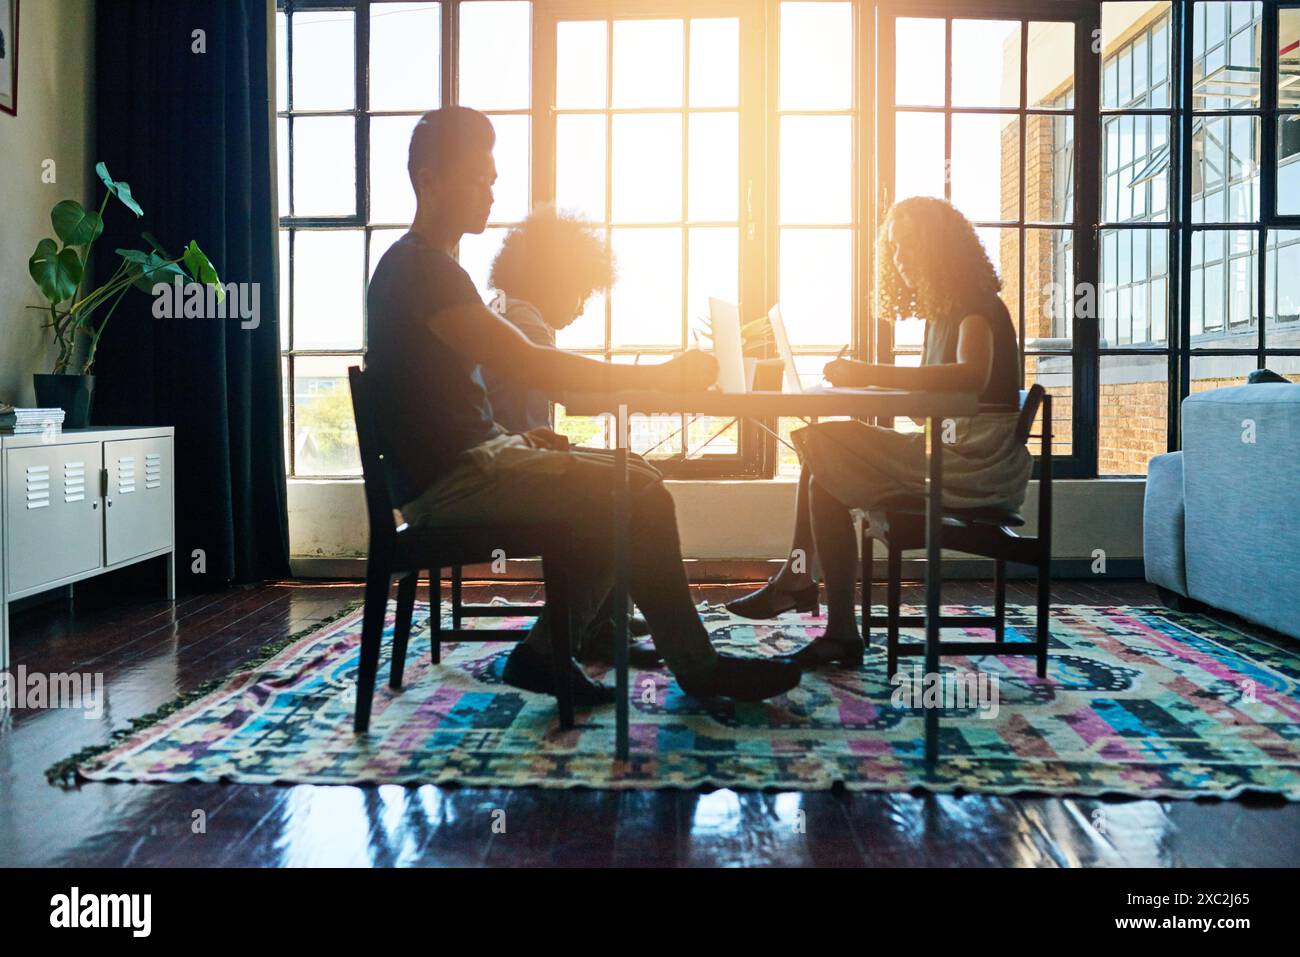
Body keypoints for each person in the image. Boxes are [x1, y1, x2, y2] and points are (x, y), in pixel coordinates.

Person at [365, 106, 801, 706]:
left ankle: (551, 651)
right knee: (640, 492)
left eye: (493, 180)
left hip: (466, 465)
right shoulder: (423, 271)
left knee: (634, 480)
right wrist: (660, 377)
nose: (491, 193)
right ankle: (689, 667)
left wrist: (514, 440)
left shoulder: (431, 270)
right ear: (429, 179)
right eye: (476, 178)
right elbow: (534, 366)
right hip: (452, 484)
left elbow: (444, 403)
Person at [727, 197, 1032, 670]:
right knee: (823, 453)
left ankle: (811, 596)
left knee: (825, 448)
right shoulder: (946, 311)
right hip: (958, 447)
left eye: (908, 245)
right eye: (893, 248)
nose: (900, 258)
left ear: (938, 248)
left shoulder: (974, 303)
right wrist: (872, 382)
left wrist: (865, 373)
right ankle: (812, 597)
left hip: (976, 459)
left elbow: (969, 376)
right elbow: (932, 402)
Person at [480, 207, 660, 668]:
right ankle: (597, 628)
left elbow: (567, 395)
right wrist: (657, 384)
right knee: (627, 480)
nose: (581, 308)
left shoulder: (504, 307)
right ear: (553, 276)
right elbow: (574, 391)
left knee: (624, 468)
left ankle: (603, 621)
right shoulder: (522, 318)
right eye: (580, 291)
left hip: (508, 453)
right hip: (507, 468)